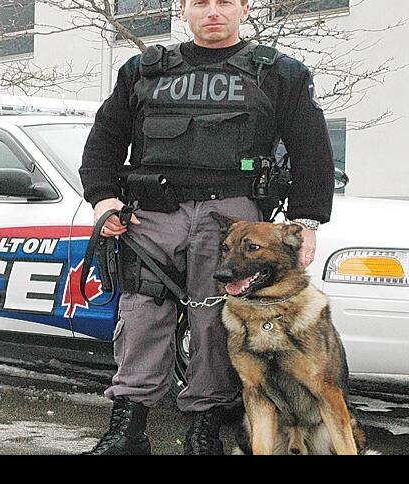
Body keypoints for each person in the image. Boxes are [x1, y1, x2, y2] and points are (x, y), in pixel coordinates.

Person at [79, 0, 334, 454]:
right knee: (141, 319)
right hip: (152, 216)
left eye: (225, 2)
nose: (212, 11)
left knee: (216, 323)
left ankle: (205, 431)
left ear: (245, 8)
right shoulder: (143, 70)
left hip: (234, 220)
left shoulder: (279, 73)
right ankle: (127, 431)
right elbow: (104, 139)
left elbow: (311, 148)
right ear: (183, 10)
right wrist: (105, 199)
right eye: (200, 2)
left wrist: (307, 219)